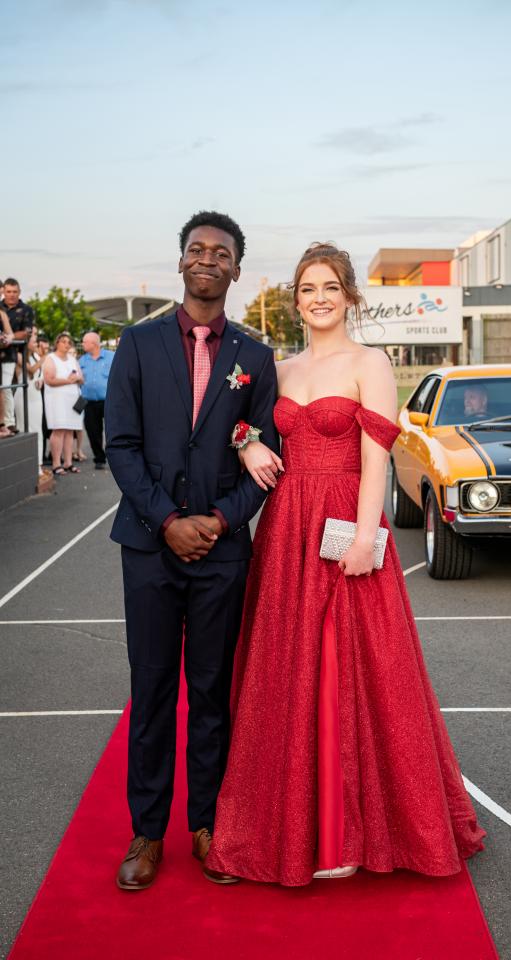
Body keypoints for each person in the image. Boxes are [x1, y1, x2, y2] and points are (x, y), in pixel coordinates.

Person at [204, 243, 485, 887]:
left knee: (352, 664)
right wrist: (247, 446)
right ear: (295, 299)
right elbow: (242, 426)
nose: (319, 298)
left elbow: (377, 459)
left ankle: (353, 830)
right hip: (285, 531)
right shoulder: (279, 366)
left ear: (349, 295)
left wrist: (365, 535)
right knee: (288, 666)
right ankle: (294, 828)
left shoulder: (372, 363)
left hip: (345, 521)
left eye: (330, 286)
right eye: (307, 289)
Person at [105, 210, 278, 892]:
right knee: (151, 692)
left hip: (222, 552)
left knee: (211, 693)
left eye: (222, 252)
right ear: (182, 262)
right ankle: (147, 832)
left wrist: (222, 521)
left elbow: (267, 455)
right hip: (149, 548)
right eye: (197, 249)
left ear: (236, 269)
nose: (208, 259)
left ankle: (207, 824)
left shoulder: (255, 357)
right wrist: (169, 520)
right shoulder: (138, 344)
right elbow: (119, 446)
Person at [42, 332, 85, 475]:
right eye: (64, 341)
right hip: (57, 401)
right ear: (57, 343)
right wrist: (69, 380)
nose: (67, 344)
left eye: (69, 342)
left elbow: (82, 379)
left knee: (70, 430)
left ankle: (68, 462)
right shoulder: (50, 358)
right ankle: (56, 464)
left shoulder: (73, 359)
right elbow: (49, 380)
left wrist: (77, 379)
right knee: (59, 430)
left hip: (73, 401)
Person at [0, 278, 35, 432]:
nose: (11, 295)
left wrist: (11, 337)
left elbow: (27, 332)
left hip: (11, 354)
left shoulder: (26, 309)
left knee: (6, 387)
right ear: (4, 292)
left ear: (19, 292)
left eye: (14, 292)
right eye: (8, 291)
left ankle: (8, 422)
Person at [78, 331, 114, 469]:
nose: (82, 344)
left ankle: (116, 455)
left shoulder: (112, 357)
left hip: (109, 401)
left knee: (113, 430)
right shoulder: (81, 360)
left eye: (85, 342)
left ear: (93, 343)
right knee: (93, 431)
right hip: (89, 402)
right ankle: (99, 458)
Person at [15, 328, 47, 472]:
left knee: (38, 430)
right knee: (24, 429)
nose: (36, 344)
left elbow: (39, 374)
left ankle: (38, 464)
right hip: (23, 396)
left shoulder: (35, 355)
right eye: (34, 341)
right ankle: (26, 465)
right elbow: (31, 370)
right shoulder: (19, 355)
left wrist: (41, 381)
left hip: (36, 395)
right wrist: (44, 358)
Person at [0, 303, 14, 438]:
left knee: (1, 390)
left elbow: (10, 334)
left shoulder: (1, 312)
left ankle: (1, 425)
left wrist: (7, 338)